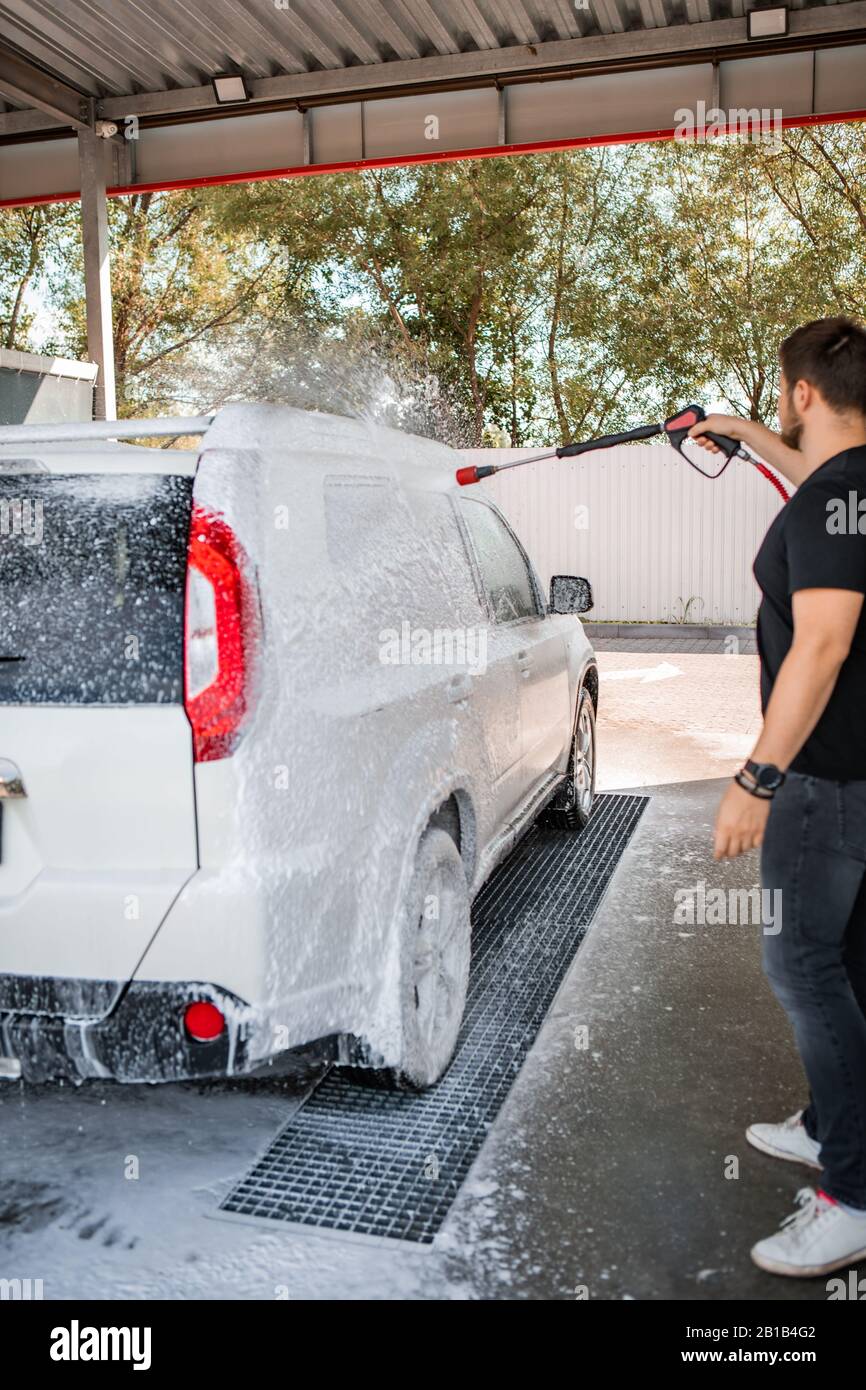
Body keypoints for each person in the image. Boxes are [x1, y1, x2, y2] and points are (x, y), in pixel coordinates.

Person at [689, 316, 866, 1278]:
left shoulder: (830, 503)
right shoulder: (853, 491)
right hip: (860, 781)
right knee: (852, 964)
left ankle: (852, 1194)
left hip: (826, 783)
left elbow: (823, 644)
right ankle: (833, 1126)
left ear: (803, 393)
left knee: (804, 969)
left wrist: (756, 776)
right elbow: (834, 495)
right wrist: (743, 432)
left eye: (782, 406)